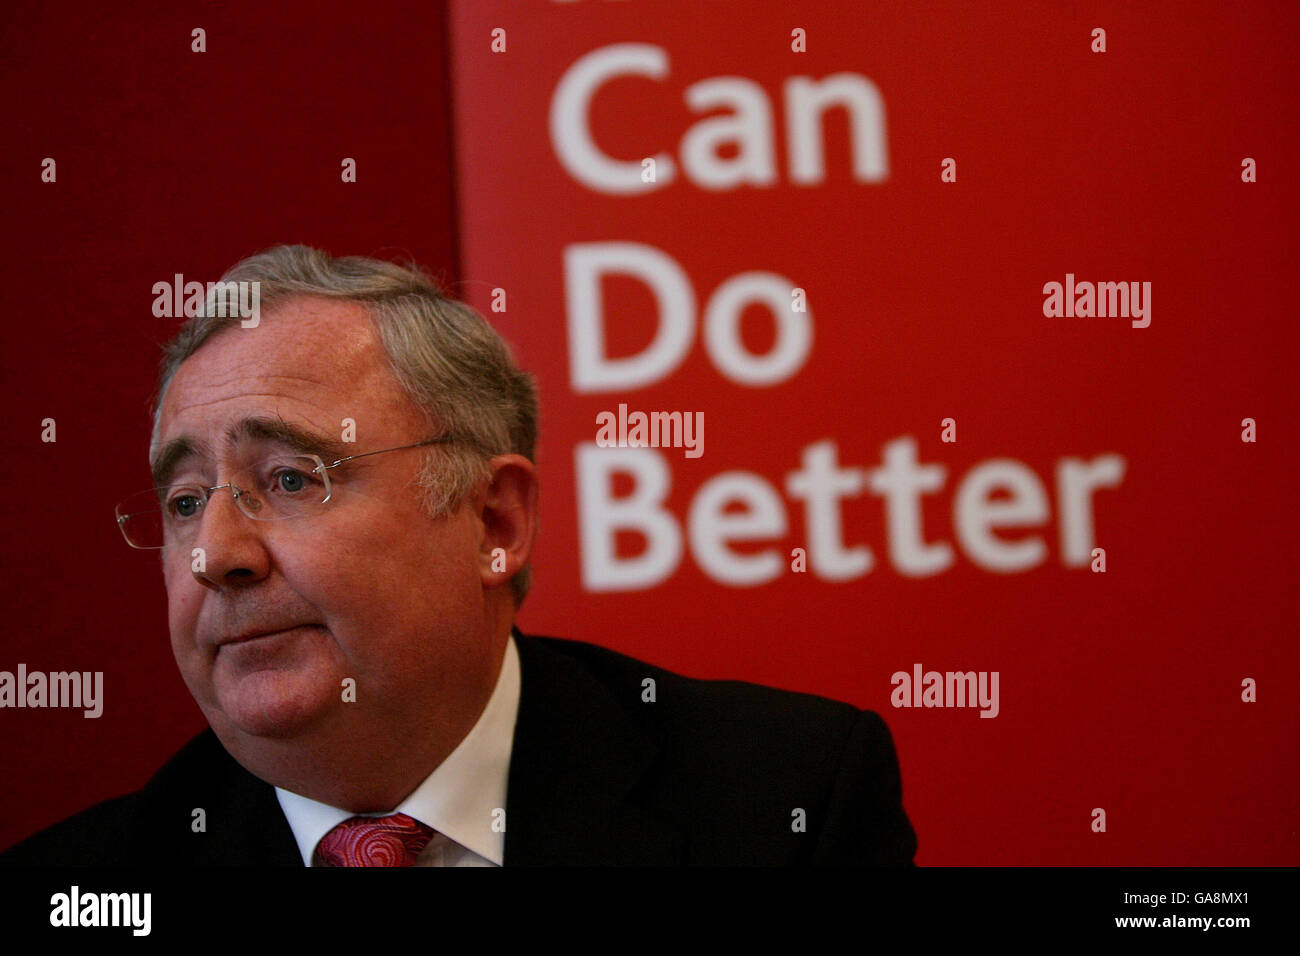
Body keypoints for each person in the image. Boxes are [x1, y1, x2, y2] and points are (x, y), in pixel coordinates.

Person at [0, 245, 917, 866]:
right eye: (187, 500)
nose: (217, 556)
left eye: (288, 479)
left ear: (494, 521)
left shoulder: (779, 807)